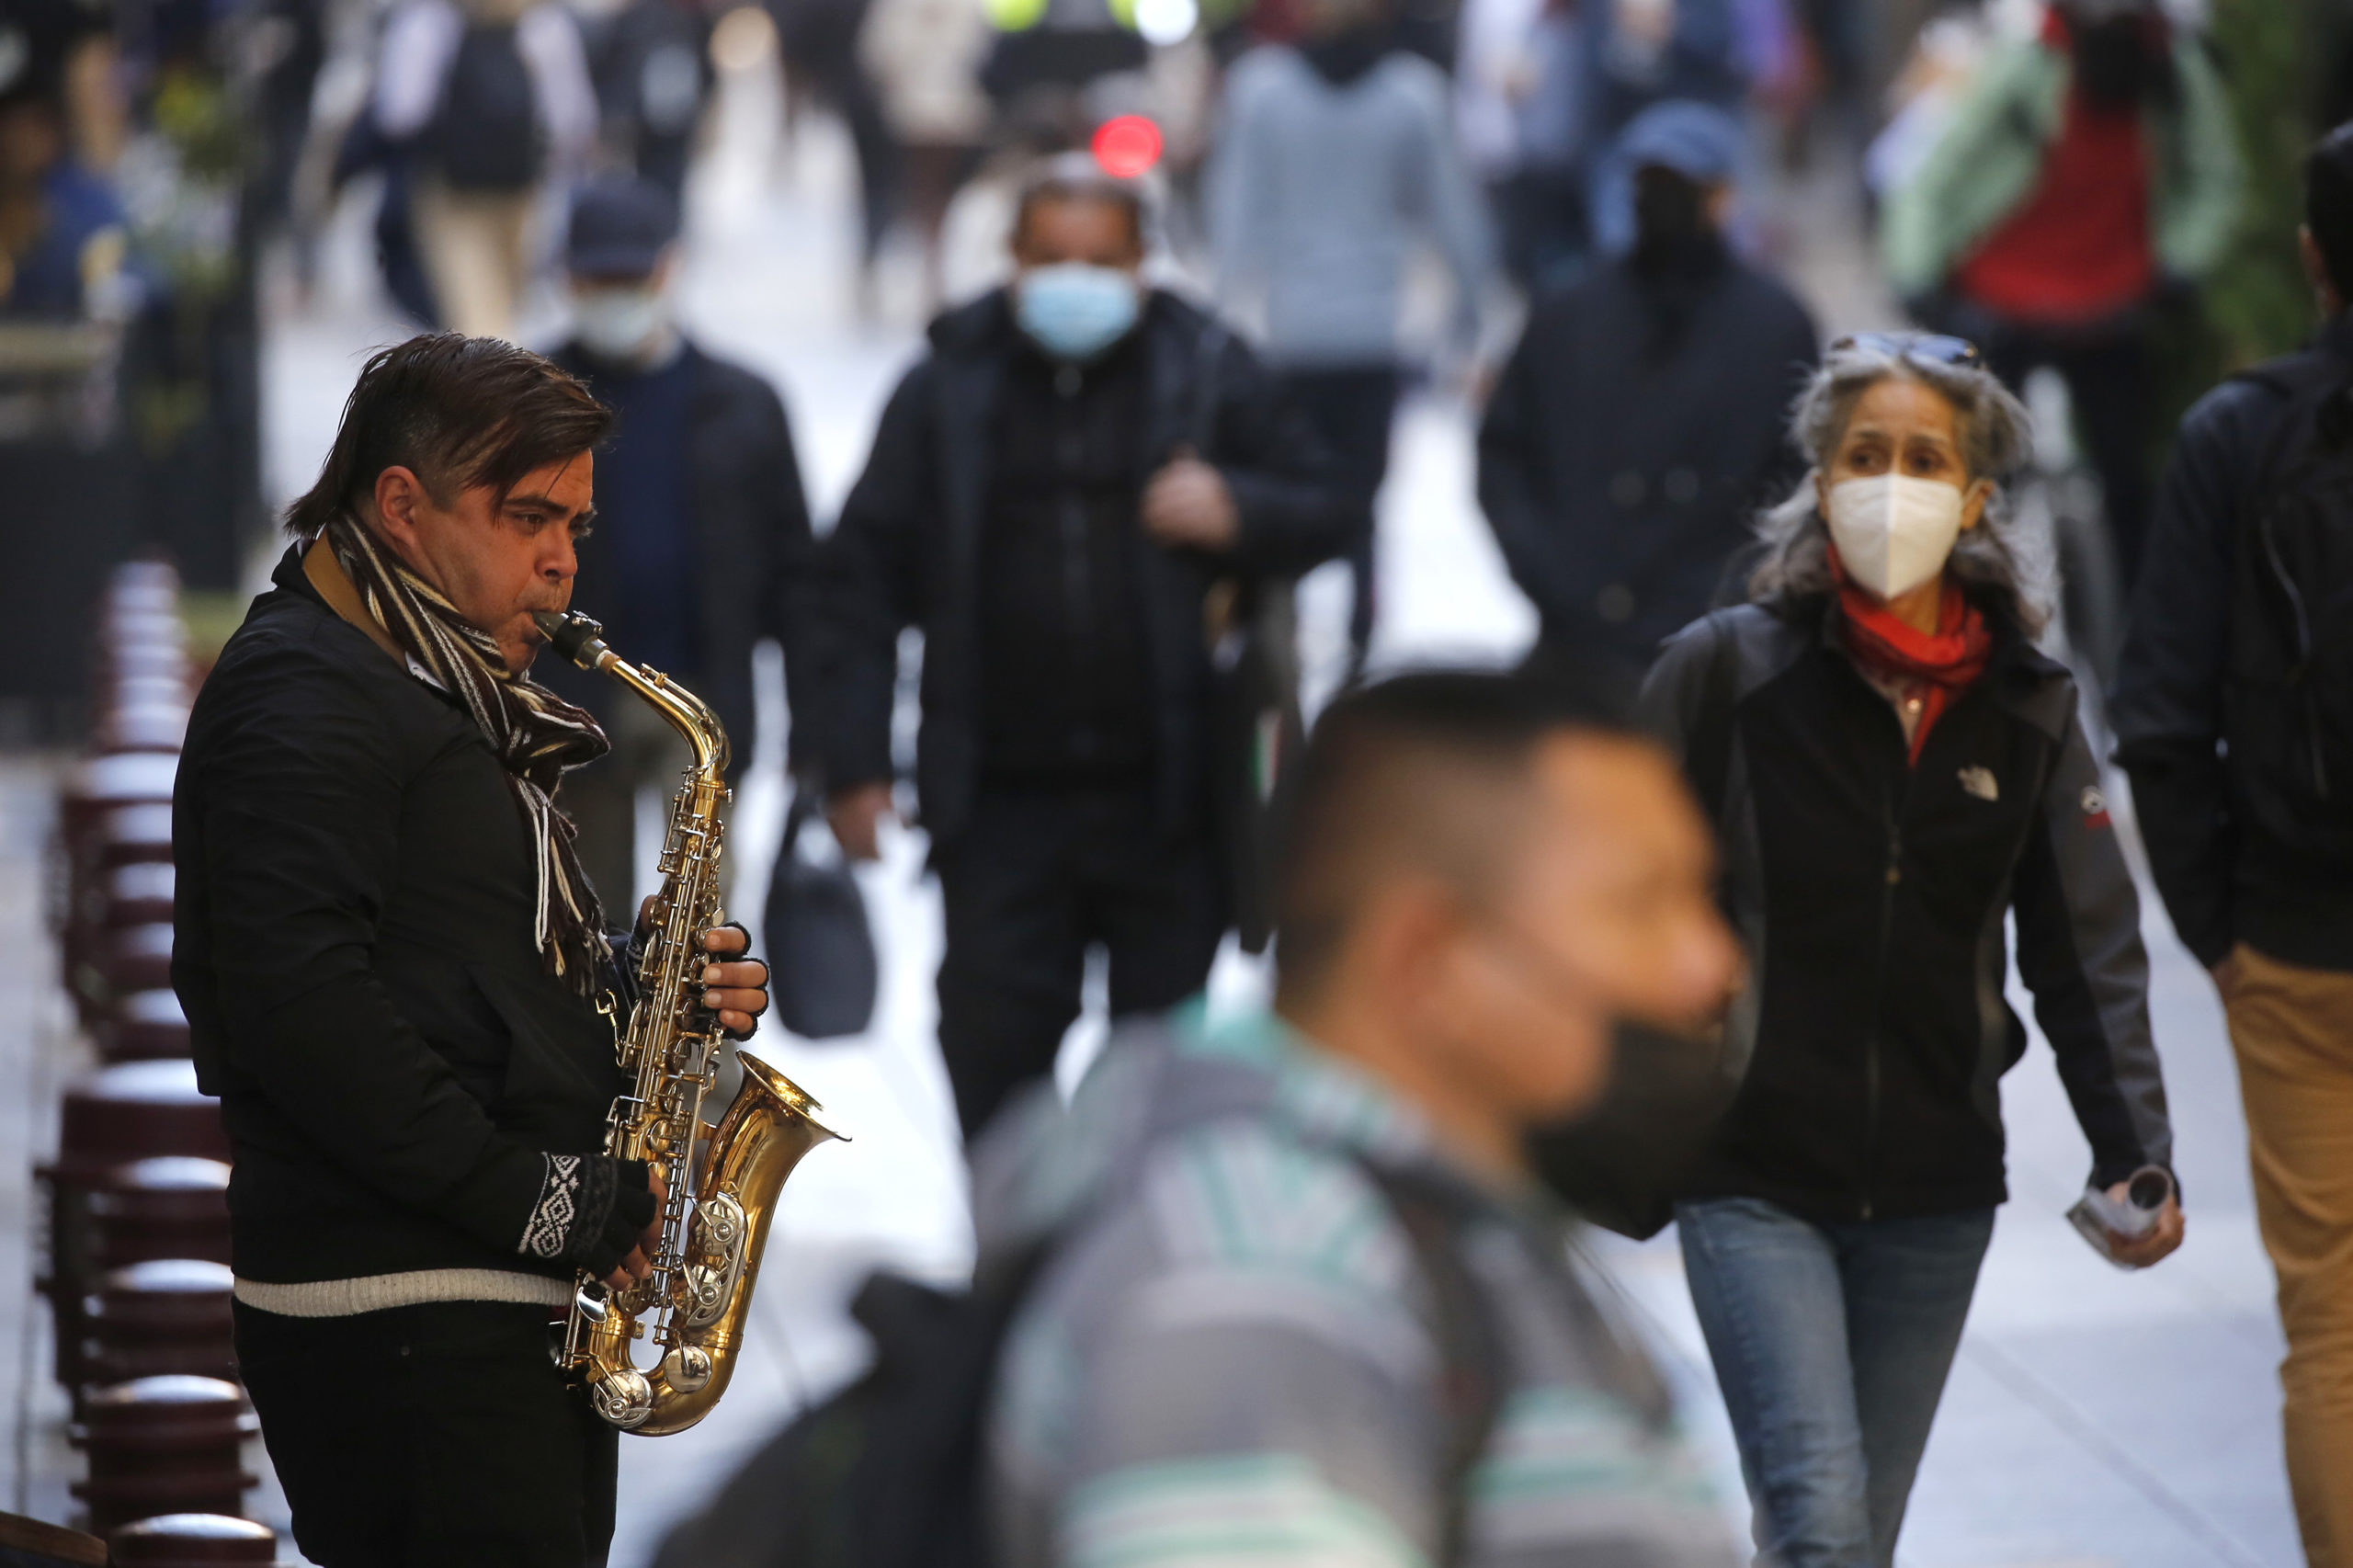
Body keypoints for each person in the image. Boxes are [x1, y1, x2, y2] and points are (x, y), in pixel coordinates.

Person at [171, 334, 771, 1566]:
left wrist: (640, 983)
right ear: (402, 506)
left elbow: (452, 963)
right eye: (527, 518)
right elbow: (303, 1018)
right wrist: (552, 1202)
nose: (562, 562)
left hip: (473, 1307)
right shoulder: (303, 701)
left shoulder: (419, 680)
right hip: (406, 1319)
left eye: (575, 527)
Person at [975, 670, 1745, 1567]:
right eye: (1641, 903)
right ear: (1425, 956)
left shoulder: (1423, 1233)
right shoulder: (1267, 1275)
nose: (1712, 962)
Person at [1639, 332, 2181, 1564]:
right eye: (1864, 455)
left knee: (1851, 1538)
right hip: (1750, 1171)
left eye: (1924, 460)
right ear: (1821, 481)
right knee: (1821, 1518)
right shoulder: (1723, 673)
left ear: (1974, 497)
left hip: (1936, 1186)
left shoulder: (2029, 706)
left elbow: (2086, 943)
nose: (1892, 483)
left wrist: (2134, 1151)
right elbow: (1609, 882)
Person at [820, 155, 1346, 1142]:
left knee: (1159, 1078)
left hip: (1168, 801)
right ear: (1012, 260)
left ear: (1143, 265)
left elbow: (1328, 501)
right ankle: (1010, 1230)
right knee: (993, 1056)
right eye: (1051, 258)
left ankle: (1132, 1236)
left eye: (1100, 261)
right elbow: (859, 577)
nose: (1075, 281)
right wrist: (851, 761)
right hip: (998, 803)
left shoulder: (1207, 368)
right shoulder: (947, 386)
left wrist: (1239, 507)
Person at [2113, 122, 2353, 1566]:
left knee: (2332, 1322)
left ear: (2313, 257)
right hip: (2285, 934)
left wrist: (2223, 933)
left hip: (2299, 946)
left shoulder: (2235, 435)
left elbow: (2157, 717)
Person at [1880, 0, 2240, 590]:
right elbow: (1936, 176)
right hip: (2001, 294)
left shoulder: (2172, 66)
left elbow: (2212, 172)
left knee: (2128, 483)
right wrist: (1915, 274)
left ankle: (2132, 615)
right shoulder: (2025, 61)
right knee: (1976, 481)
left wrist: (2182, 261)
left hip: (2116, 299)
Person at [541, 176, 824, 909]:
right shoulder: (525, 403)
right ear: (568, 277)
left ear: (668, 269)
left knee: (698, 928)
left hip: (701, 696)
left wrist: (817, 730)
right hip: (569, 705)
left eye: (631, 277)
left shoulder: (743, 402)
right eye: (600, 279)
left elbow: (797, 578)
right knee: (577, 920)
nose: (616, 295)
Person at [1479, 98, 1815, 696]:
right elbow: (1505, 451)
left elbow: (1799, 479)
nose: (1659, 200)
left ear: (1724, 196)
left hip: (1717, 656)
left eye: (1681, 184)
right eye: (1648, 182)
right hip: (1577, 646)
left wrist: (1736, 594)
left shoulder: (1775, 325)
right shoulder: (1568, 313)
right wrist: (1551, 577)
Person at [1209, 0, 1491, 670]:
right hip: (1371, 333)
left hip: (1288, 331)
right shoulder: (1412, 94)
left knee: (1286, 488)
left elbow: (1235, 213)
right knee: (1362, 496)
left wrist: (1223, 320)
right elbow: (1454, 215)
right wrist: (1468, 316)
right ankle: (1360, 633)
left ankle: (1291, 624)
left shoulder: (1262, 90)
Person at [369, 0, 597, 337]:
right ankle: (503, 360)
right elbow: (570, 119)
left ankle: (492, 366)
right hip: (521, 186)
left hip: (452, 190)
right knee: (505, 302)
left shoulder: (428, 23)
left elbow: (400, 114)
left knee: (473, 304)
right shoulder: (545, 25)